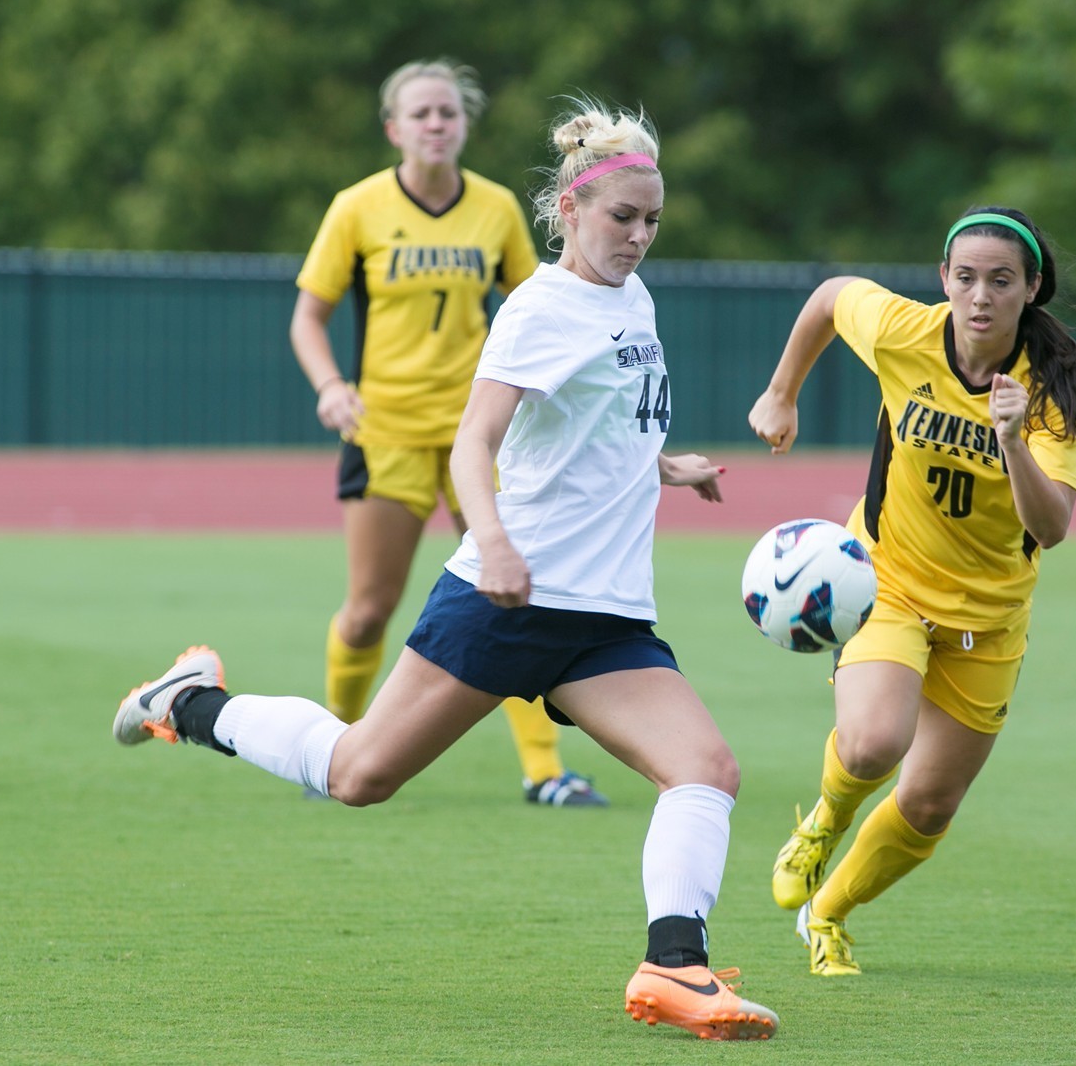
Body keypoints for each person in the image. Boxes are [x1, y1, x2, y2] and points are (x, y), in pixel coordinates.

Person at [115, 97, 779, 1041]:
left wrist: (668, 463)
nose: (638, 236)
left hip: (602, 618)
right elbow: (477, 444)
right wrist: (496, 540)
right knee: (357, 774)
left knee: (705, 768)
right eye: (621, 217)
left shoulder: (633, 298)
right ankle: (187, 701)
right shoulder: (538, 310)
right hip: (504, 602)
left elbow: (599, 427)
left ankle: (675, 968)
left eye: (652, 220)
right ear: (569, 211)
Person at [748, 207, 1076, 976]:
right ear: (942, 279)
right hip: (888, 580)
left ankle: (829, 913)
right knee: (873, 742)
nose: (980, 296)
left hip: (989, 621)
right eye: (965, 277)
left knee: (928, 804)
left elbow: (1049, 527)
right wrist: (782, 392)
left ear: (1032, 288)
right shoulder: (902, 330)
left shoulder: (1052, 393)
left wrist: (1013, 438)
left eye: (1000, 280)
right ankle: (824, 819)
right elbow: (828, 295)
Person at [289, 57, 604, 807]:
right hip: (385, 430)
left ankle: (543, 771)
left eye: (448, 112)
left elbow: (542, 304)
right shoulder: (357, 207)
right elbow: (309, 314)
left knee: (515, 592)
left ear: (464, 125)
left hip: (481, 434)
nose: (436, 124)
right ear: (395, 128)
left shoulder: (494, 210)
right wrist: (331, 387)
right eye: (421, 113)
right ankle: (334, 743)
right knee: (369, 608)